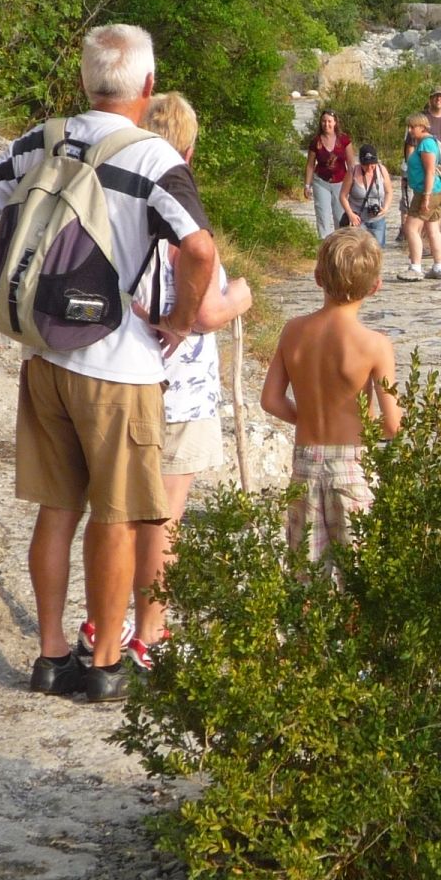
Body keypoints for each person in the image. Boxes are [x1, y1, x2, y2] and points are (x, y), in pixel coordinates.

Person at [0, 24, 218, 704]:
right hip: (119, 369)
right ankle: (104, 663)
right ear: (147, 84)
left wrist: (17, 282)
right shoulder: (154, 158)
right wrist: (181, 322)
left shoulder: (41, 140)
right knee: (116, 516)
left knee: (57, 509)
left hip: (45, 359)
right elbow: (201, 250)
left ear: (85, 80)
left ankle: (50, 655)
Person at [115, 91, 252, 667]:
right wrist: (240, 294)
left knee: (122, 512)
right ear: (188, 151)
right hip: (181, 390)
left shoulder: (121, 206)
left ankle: (109, 620)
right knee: (165, 518)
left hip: (124, 378)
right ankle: (152, 630)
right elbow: (204, 313)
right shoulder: (183, 216)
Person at [260, 229, 402, 565]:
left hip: (305, 462)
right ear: (375, 286)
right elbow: (392, 426)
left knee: (306, 574)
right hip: (351, 465)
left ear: (317, 278)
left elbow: (271, 400)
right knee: (359, 571)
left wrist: (307, 416)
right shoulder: (374, 344)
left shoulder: (293, 330)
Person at [399, 112, 441, 282]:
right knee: (432, 228)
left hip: (427, 192)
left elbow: (430, 171)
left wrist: (426, 197)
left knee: (411, 228)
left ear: (422, 127)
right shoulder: (425, 142)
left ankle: (415, 267)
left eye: (413, 127)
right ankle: (438, 267)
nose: (410, 130)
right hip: (436, 191)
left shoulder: (426, 144)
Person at [304, 109, 354, 239]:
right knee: (322, 215)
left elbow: (351, 164)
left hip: (341, 183)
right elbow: (310, 165)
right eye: (324, 121)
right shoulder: (315, 142)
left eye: (329, 121)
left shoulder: (344, 140)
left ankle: (341, 242)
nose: (326, 124)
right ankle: (324, 243)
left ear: (335, 122)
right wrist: (307, 185)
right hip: (321, 182)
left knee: (340, 216)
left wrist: (352, 183)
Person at [342, 143, 392, 248]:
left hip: (377, 218)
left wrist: (385, 208)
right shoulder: (352, 172)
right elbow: (342, 196)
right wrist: (350, 214)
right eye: (366, 165)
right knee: (359, 249)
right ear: (360, 162)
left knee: (378, 250)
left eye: (372, 164)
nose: (369, 168)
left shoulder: (382, 170)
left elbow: (389, 192)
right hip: (358, 218)